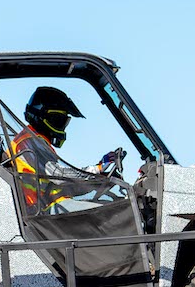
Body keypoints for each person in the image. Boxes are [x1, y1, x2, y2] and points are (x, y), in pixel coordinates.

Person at [8, 86, 125, 214]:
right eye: (58, 120)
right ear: (43, 118)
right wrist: (96, 169)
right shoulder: (30, 141)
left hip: (47, 207)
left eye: (64, 122)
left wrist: (99, 179)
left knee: (108, 206)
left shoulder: (33, 139)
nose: (62, 127)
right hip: (43, 211)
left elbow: (63, 185)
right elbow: (60, 176)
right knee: (112, 213)